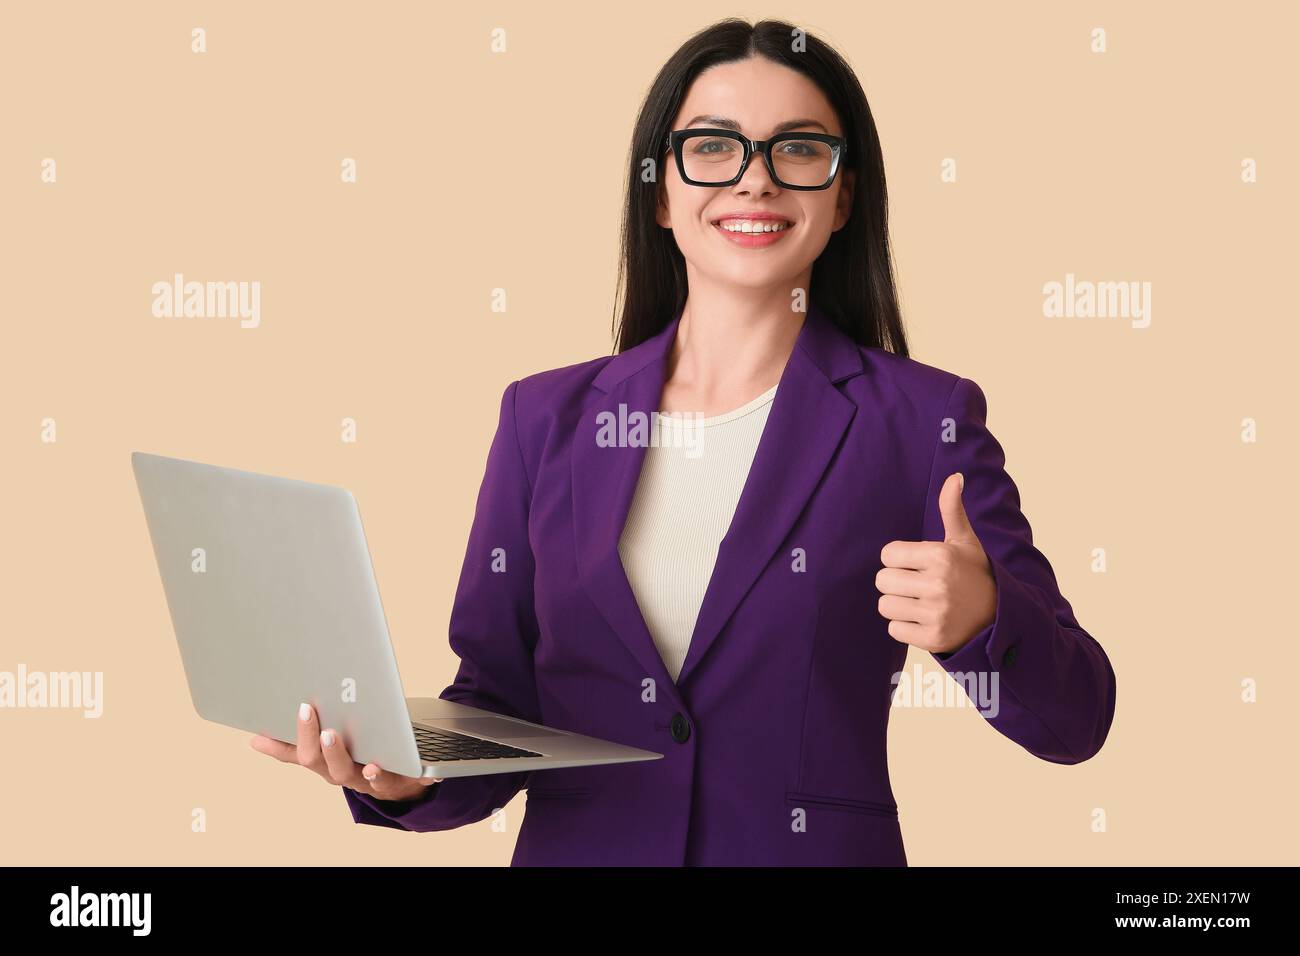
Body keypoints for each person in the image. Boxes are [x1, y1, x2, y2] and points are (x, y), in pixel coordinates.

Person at [252, 17, 1116, 866]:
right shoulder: (540, 418)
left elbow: (1078, 721)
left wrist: (985, 622)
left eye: (800, 149)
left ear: (844, 193)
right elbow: (497, 703)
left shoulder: (921, 421)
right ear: (660, 191)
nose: (755, 181)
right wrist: (403, 776)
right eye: (712, 146)